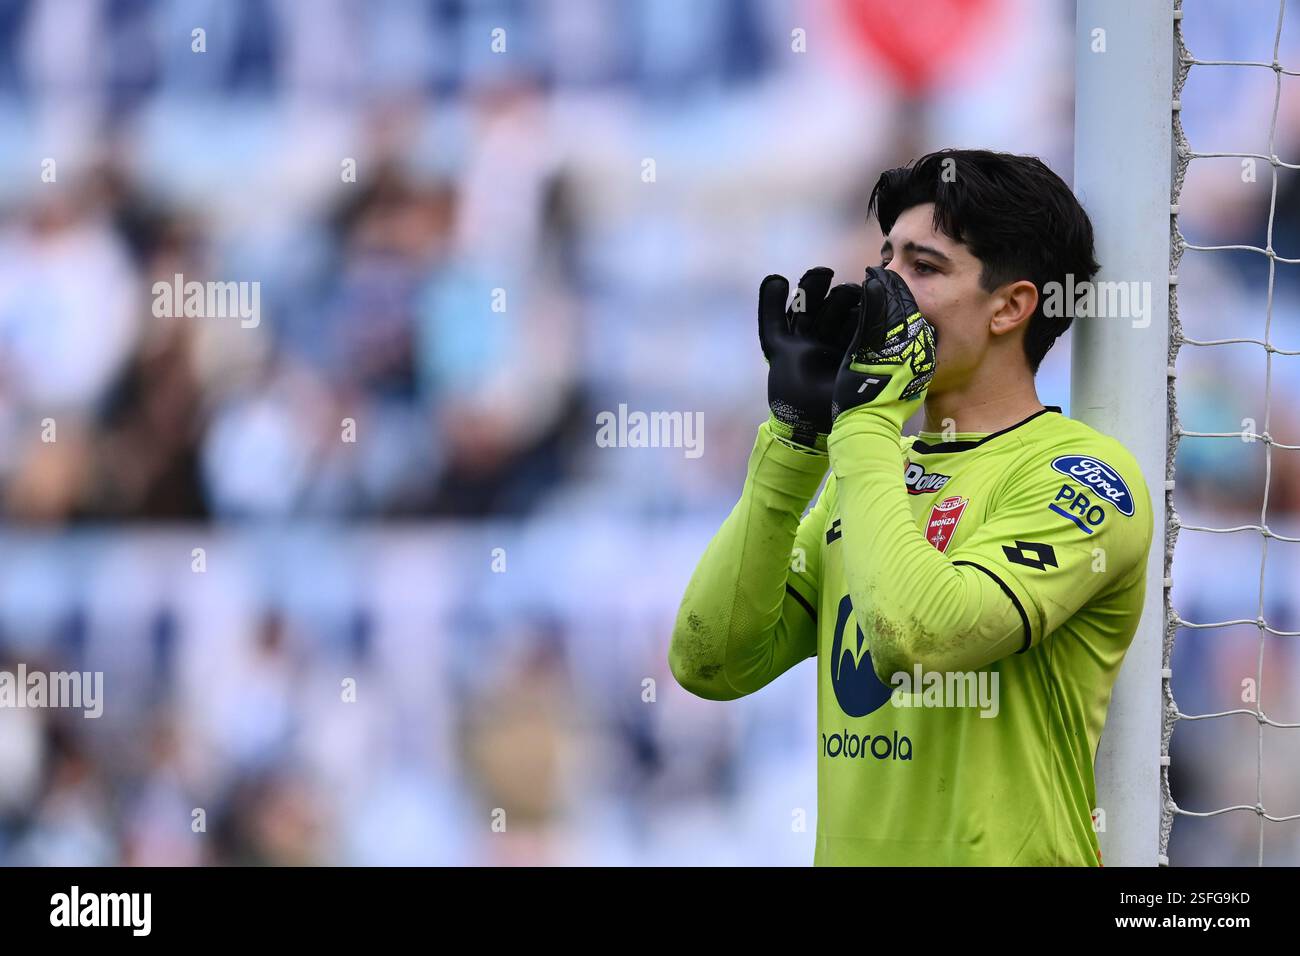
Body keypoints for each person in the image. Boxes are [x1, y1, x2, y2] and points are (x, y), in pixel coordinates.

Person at [669, 148, 1155, 866]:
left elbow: (920, 640)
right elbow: (710, 662)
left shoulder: (1079, 478)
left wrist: (864, 419)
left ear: (1012, 307)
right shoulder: (867, 472)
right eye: (883, 259)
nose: (878, 290)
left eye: (922, 268)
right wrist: (798, 441)